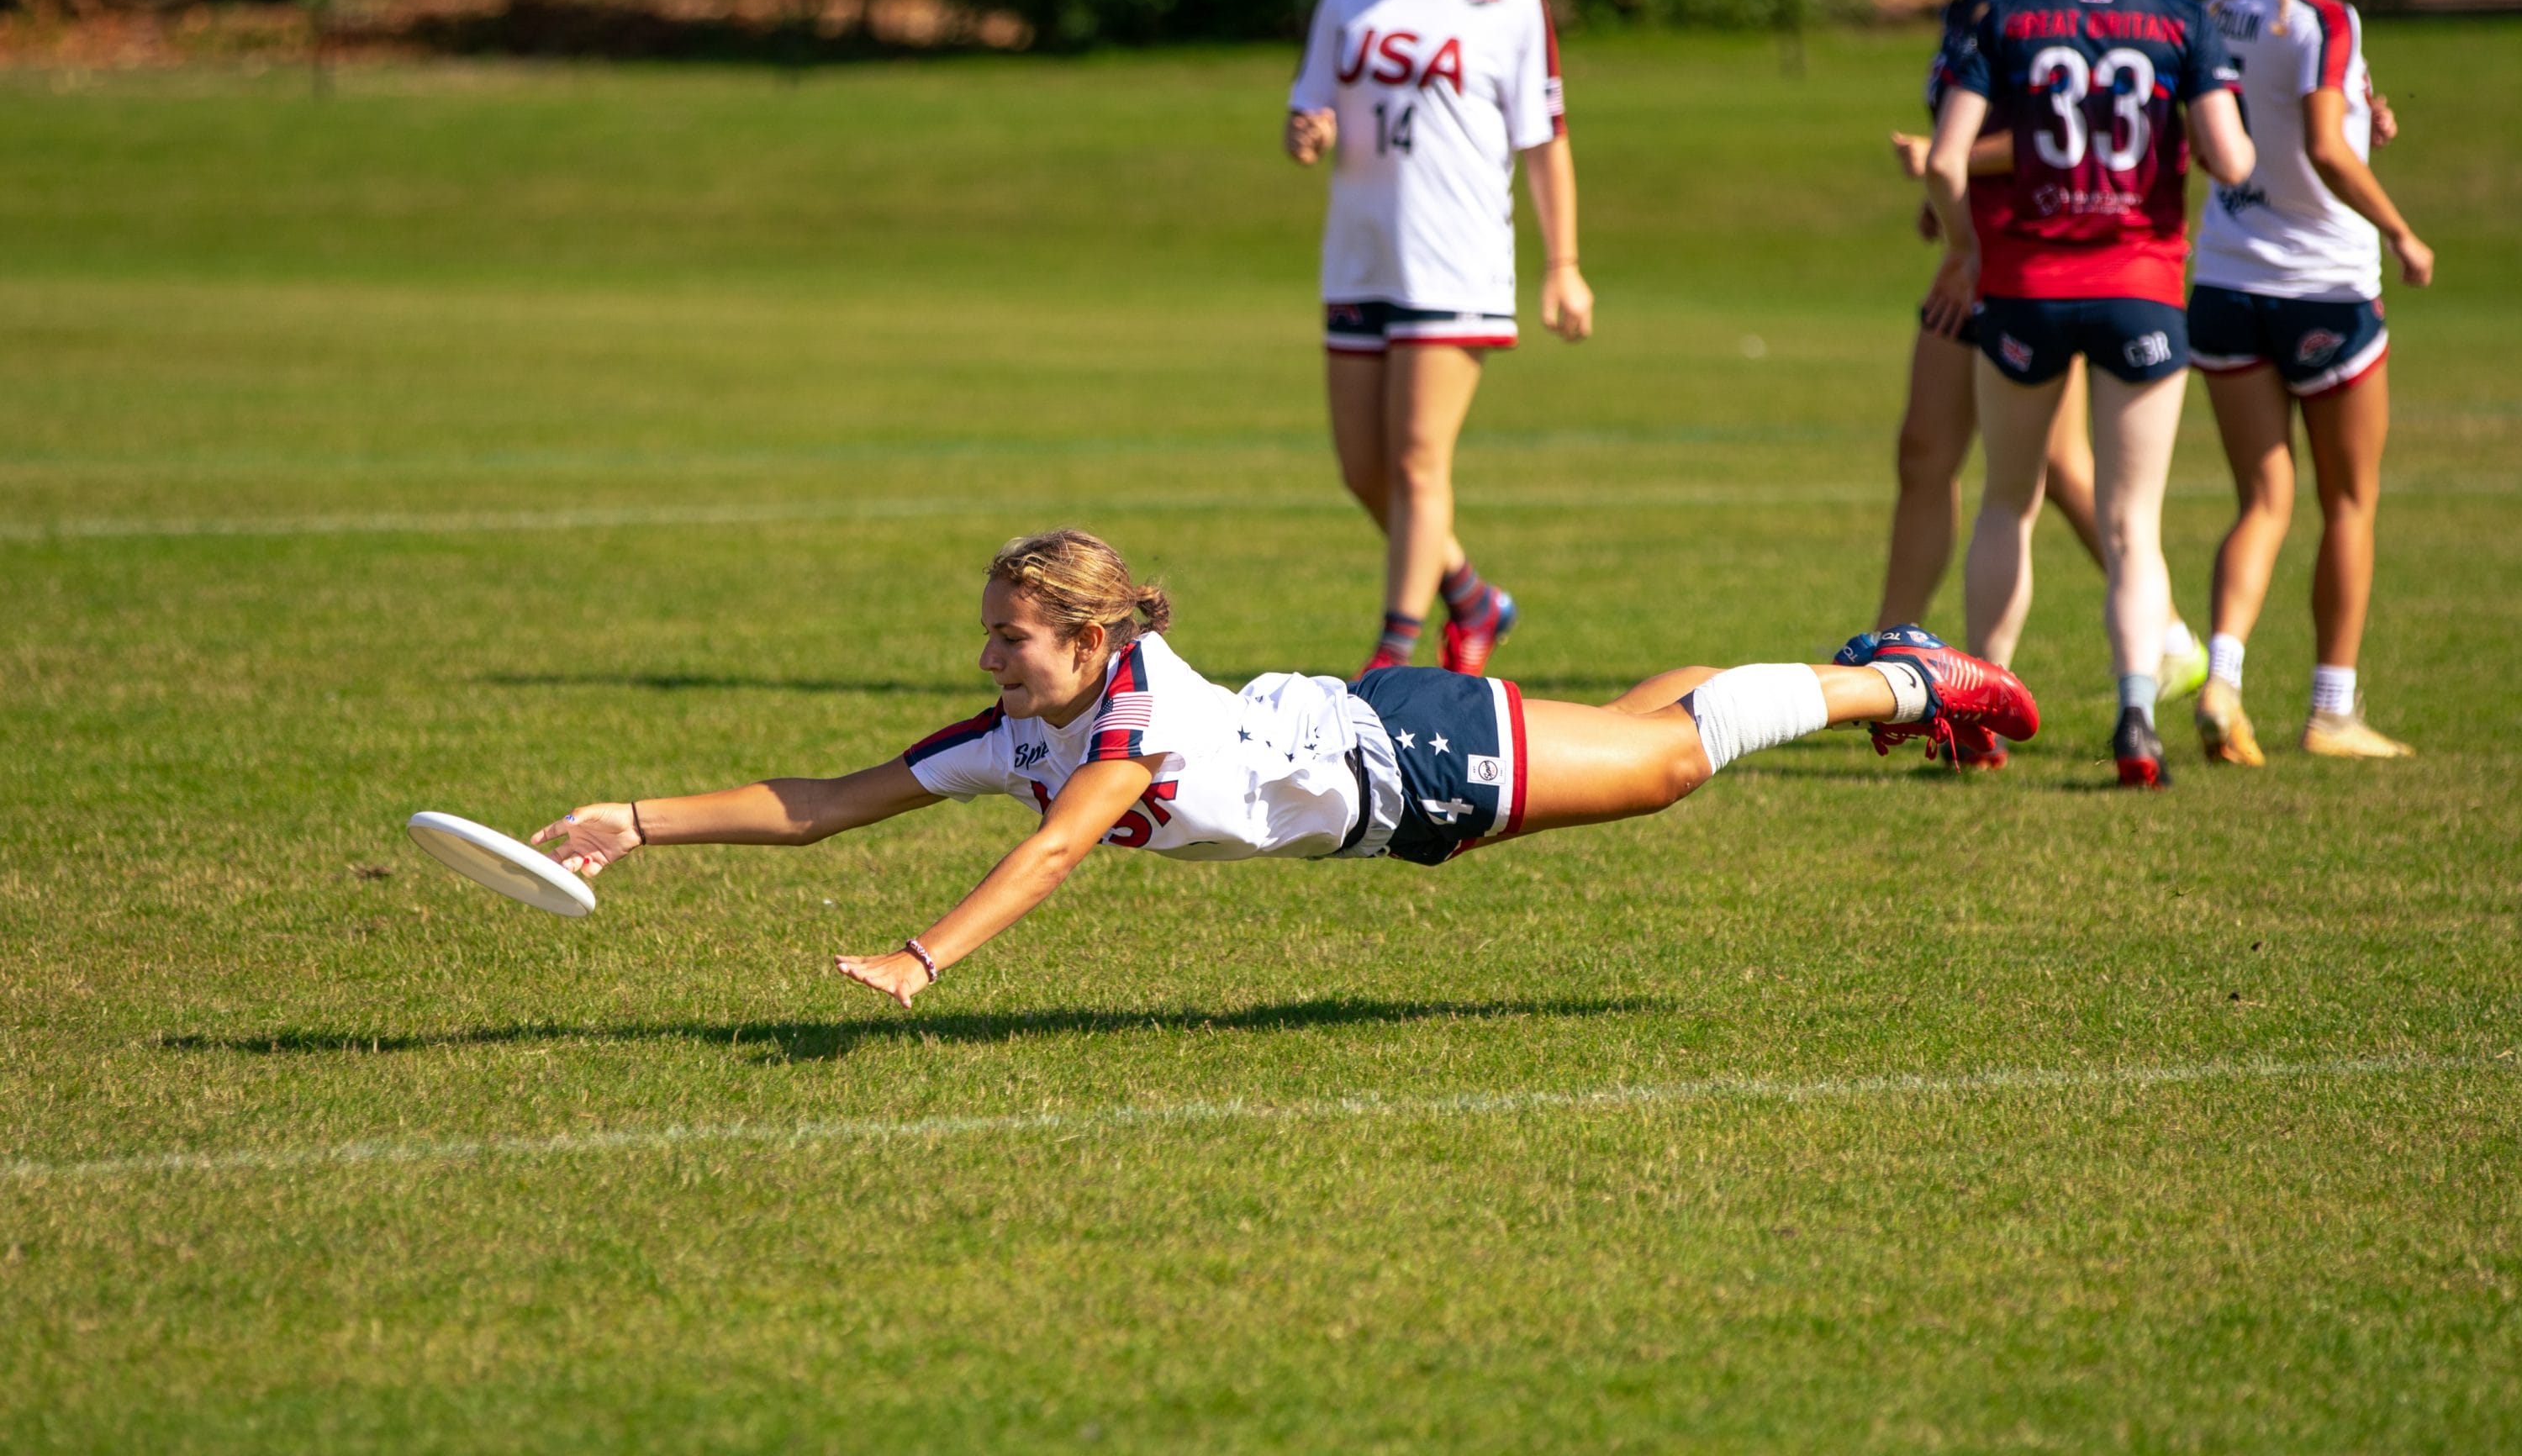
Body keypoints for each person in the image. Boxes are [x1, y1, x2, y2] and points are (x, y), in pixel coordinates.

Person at [528, 531, 2038, 1008]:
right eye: (989, 633)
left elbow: (1057, 848)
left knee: (1663, 770)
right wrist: (635, 822)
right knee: (1644, 731)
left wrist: (923, 958)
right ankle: (1860, 664)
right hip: (1383, 779)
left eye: (1011, 637)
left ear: (1089, 636)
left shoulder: (1128, 719)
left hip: (1412, 756)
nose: (989, 656)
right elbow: (826, 804)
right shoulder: (1020, 729)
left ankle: (1903, 679)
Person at [1922, 0, 2256, 789]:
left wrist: (1965, 249)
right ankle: (2136, 718)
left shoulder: (2010, 16)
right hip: (2139, 288)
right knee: (2130, 524)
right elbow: (2233, 161)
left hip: (2025, 286)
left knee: (2007, 501)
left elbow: (1946, 159)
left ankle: (1978, 715)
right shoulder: (2182, 19)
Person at [1285, 0, 1594, 681]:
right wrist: (1307, 132)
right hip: (1360, 257)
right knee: (1364, 469)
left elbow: (1545, 141)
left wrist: (1564, 265)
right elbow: (1309, 110)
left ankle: (1391, 655)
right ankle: (1471, 594)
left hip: (1455, 261)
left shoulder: (1509, 2)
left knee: (1419, 460)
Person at [2187, 0, 2433, 764]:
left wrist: (2366, 115)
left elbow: (2226, 133)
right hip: (2323, 286)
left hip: (2225, 280)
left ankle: (2223, 676)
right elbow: (2326, 148)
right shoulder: (2324, 18)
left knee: (2262, 498)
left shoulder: (2221, 6)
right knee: (2349, 502)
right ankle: (2332, 709)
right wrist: (2402, 230)